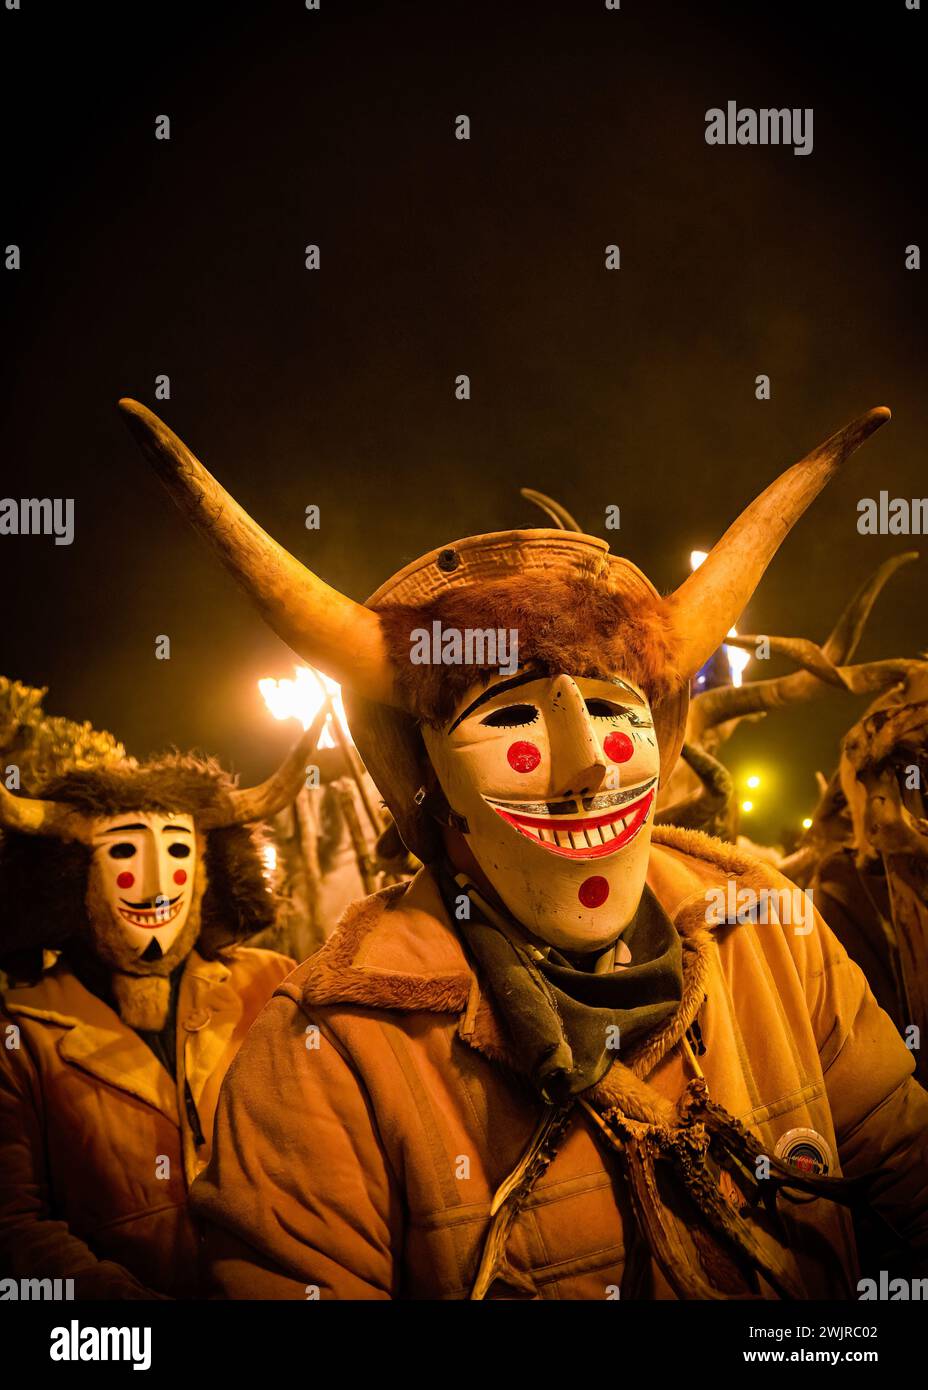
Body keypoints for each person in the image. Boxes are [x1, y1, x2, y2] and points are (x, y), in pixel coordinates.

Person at [120, 398, 928, 1298]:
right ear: (428, 778)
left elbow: (905, 1160)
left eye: (619, 710)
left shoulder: (767, 930)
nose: (588, 767)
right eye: (511, 720)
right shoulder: (331, 1051)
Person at [0, 722, 321, 1298]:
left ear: (209, 871)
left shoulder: (271, 983)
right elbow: (13, 1224)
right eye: (123, 851)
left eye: (177, 851)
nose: (154, 889)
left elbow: (329, 1157)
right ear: (71, 879)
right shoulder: (21, 1032)